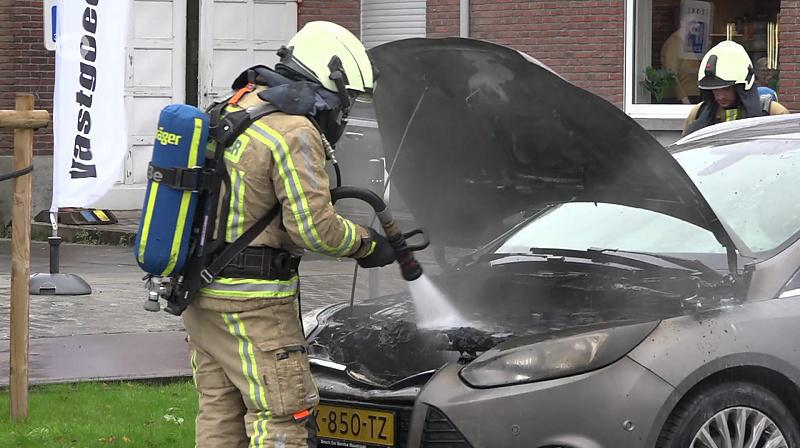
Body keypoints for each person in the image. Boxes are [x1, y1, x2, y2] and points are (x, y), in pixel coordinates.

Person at [181, 21, 396, 448]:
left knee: (220, 416)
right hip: (255, 306)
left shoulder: (235, 109)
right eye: (347, 97)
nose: (344, 109)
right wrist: (367, 245)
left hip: (201, 296)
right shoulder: (294, 131)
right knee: (280, 416)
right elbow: (314, 228)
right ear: (329, 78)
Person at [683, 40, 789, 136]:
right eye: (715, 90)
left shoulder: (773, 114)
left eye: (726, 89)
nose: (720, 96)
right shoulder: (697, 114)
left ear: (742, 87)